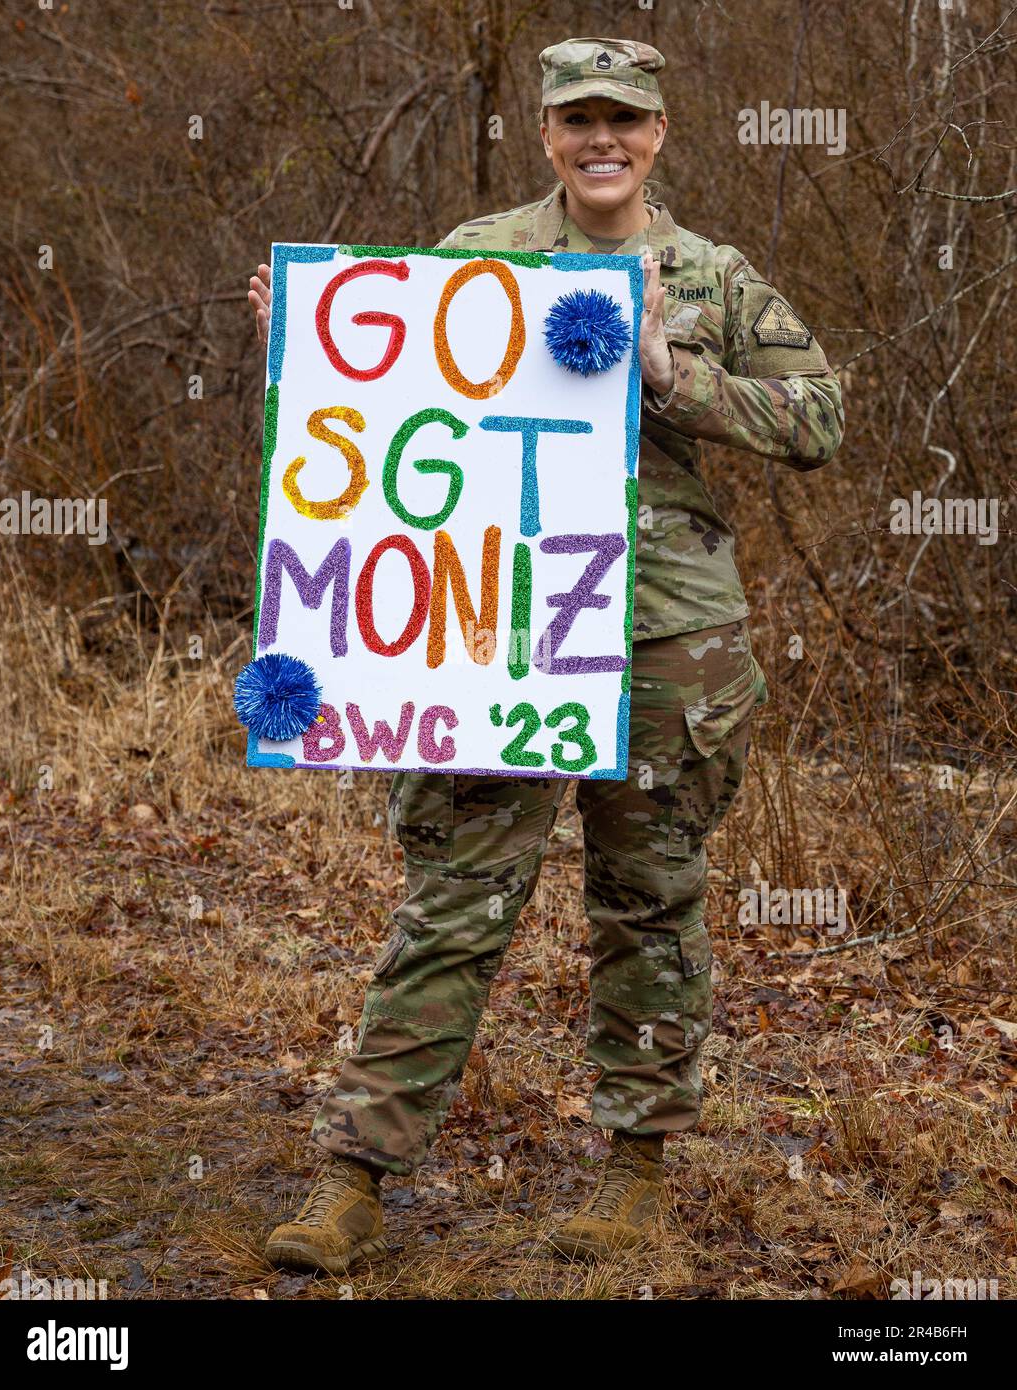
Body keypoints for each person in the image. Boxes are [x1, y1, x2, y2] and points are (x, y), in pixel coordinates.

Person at [248, 36, 843, 1274]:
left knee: (649, 906)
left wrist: (678, 379)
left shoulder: (711, 276)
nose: (600, 140)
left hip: (667, 640)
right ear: (545, 132)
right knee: (454, 904)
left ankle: (634, 1169)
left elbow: (819, 419)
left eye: (623, 118)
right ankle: (354, 1177)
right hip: (497, 634)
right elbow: (387, 402)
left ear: (660, 131)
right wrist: (303, 344)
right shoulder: (478, 259)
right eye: (577, 118)